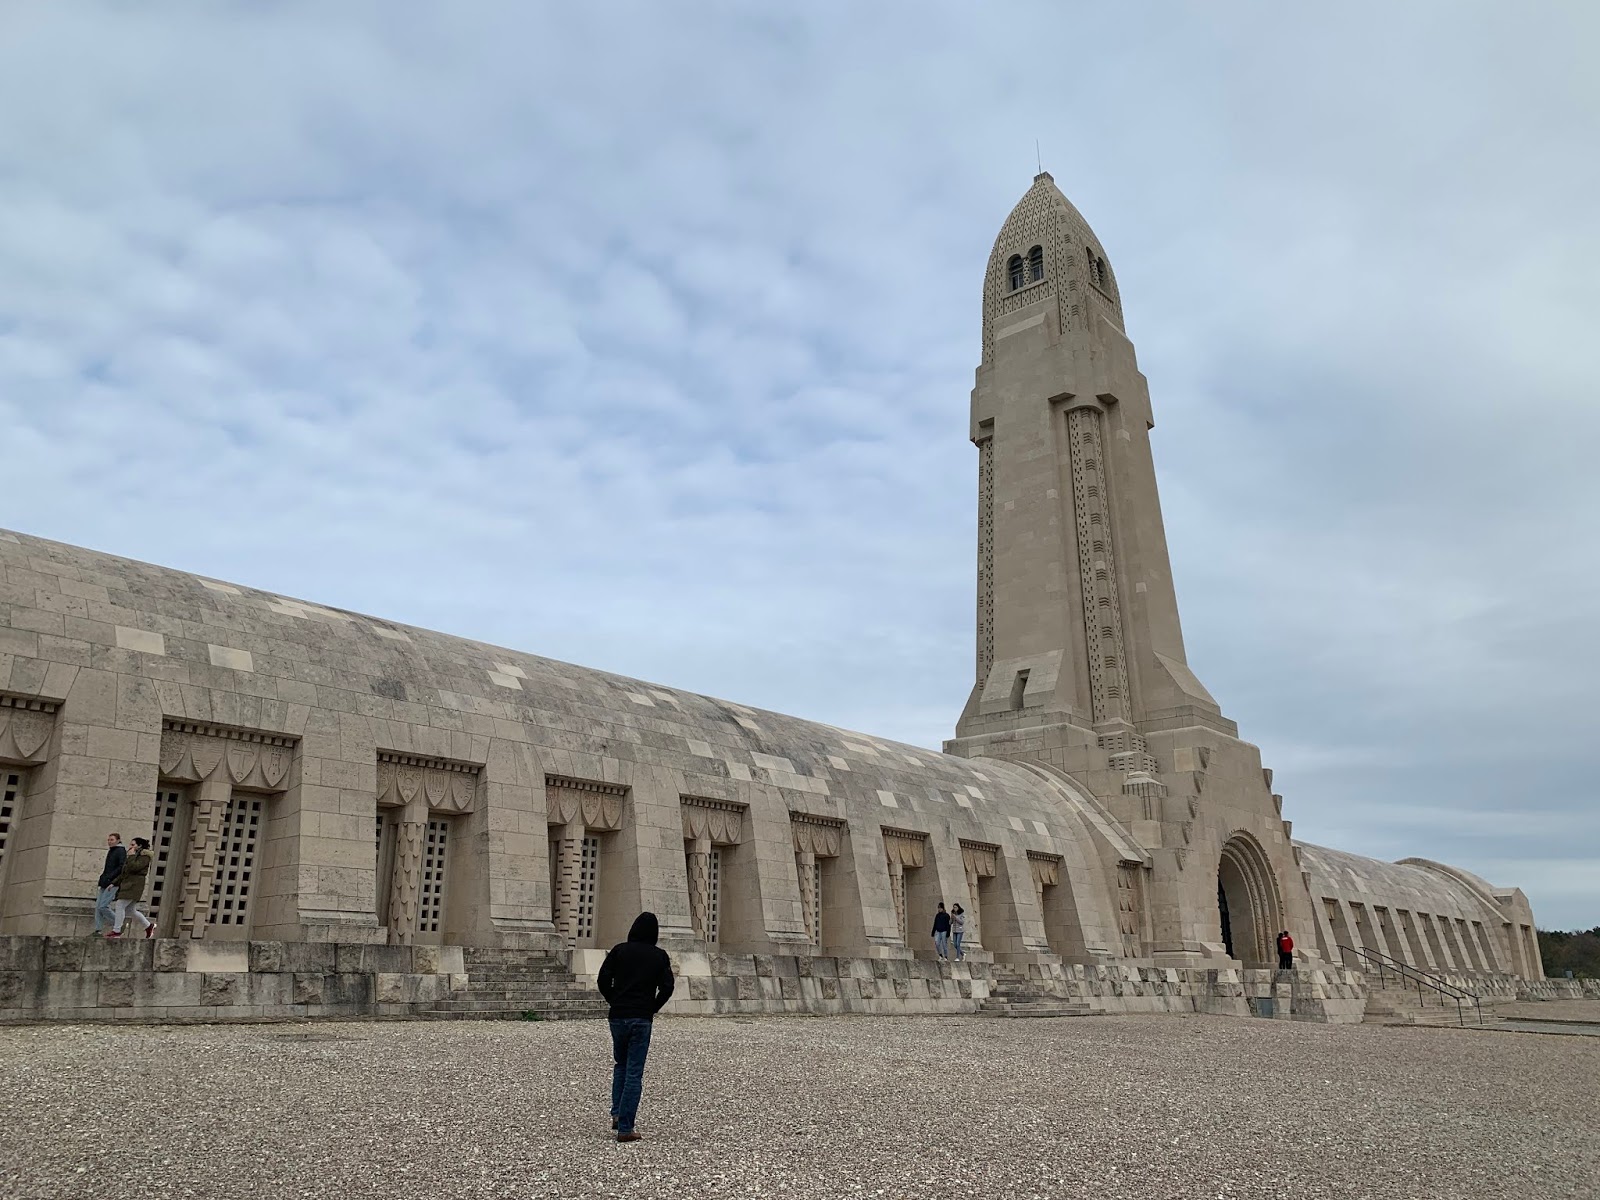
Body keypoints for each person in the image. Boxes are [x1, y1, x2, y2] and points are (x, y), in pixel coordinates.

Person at [597, 911, 675, 1143]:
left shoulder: (619, 950)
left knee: (620, 1065)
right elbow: (668, 987)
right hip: (641, 1017)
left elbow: (603, 980)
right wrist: (652, 1007)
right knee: (634, 1071)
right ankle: (625, 1127)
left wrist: (614, 999)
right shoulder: (659, 956)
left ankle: (617, 1113)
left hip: (618, 1016)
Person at [105, 837, 154, 939]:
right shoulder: (133, 856)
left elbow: (135, 867)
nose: (130, 847)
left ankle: (117, 930)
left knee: (120, 904)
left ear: (139, 846)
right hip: (128, 884)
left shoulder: (145, 857)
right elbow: (125, 871)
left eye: (133, 845)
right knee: (131, 910)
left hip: (134, 885)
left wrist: (131, 857)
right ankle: (148, 925)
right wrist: (114, 883)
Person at [93, 832, 125, 935]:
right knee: (98, 907)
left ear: (118, 840)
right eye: (109, 840)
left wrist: (111, 878)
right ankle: (98, 930)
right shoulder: (112, 851)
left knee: (103, 906)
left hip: (112, 883)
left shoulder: (120, 851)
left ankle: (118, 923)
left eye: (112, 840)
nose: (109, 842)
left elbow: (121, 867)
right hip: (105, 881)